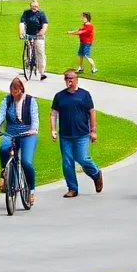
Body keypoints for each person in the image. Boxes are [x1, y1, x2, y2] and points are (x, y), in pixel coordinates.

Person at [51, 69, 102, 198]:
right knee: (67, 162)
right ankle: (72, 188)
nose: (69, 80)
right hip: (66, 135)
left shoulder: (84, 95)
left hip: (82, 133)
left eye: (71, 78)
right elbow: (53, 114)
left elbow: (92, 112)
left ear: (76, 79)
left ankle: (96, 174)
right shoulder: (59, 96)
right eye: (67, 78)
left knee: (82, 158)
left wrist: (93, 131)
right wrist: (53, 130)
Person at [0, 77, 39, 203]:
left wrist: (33, 129)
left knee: (26, 162)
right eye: (12, 89)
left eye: (16, 89)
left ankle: (31, 191)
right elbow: (0, 114)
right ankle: (5, 172)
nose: (14, 92)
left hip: (27, 134)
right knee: (3, 148)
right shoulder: (7, 100)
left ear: (22, 89)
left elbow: (34, 117)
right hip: (11, 132)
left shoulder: (30, 101)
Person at [18, 0, 49, 81]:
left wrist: (41, 32)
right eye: (33, 6)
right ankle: (28, 60)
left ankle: (41, 72)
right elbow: (22, 23)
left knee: (40, 52)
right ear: (30, 6)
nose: (35, 8)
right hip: (29, 33)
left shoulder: (41, 14)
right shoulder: (26, 13)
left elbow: (45, 24)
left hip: (38, 34)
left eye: (36, 6)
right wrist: (21, 33)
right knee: (28, 46)